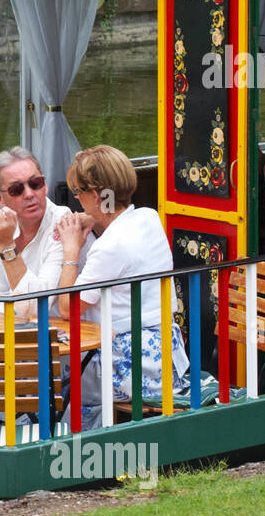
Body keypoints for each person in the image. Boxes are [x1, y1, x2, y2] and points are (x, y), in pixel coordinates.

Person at [55, 144, 188, 430]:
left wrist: (70, 250)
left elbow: (68, 308)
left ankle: (55, 441)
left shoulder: (111, 247)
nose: (76, 200)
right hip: (166, 356)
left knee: (38, 371)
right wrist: (97, 219)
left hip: (133, 367)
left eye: (77, 192)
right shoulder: (149, 218)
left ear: (95, 195)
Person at [0, 146, 70, 321]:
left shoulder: (62, 221)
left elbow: (38, 305)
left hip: (68, 338)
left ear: (45, 186)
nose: (29, 194)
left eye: (35, 184)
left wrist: (7, 247)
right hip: (21, 332)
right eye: (17, 189)